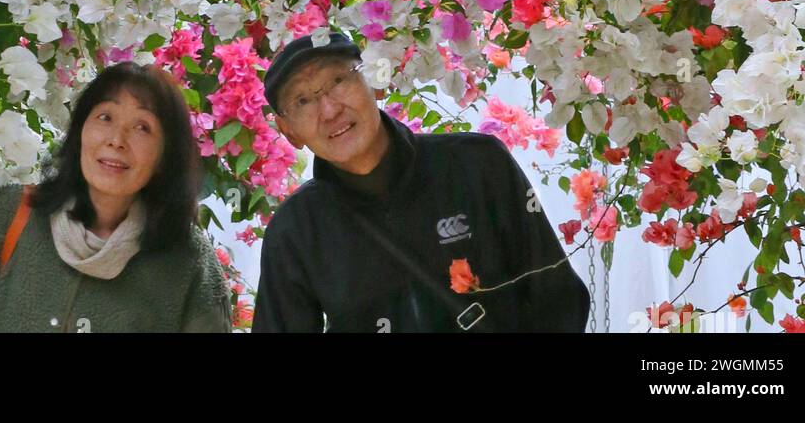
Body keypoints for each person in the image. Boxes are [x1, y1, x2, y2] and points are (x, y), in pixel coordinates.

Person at [251, 30, 591, 333]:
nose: (328, 110)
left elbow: (558, 297)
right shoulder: (296, 231)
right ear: (289, 131)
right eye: (302, 101)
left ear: (373, 80)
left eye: (338, 81)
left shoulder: (479, 165)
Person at [0, 60, 231, 332]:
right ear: (80, 131)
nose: (116, 140)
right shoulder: (6, 216)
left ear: (165, 155)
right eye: (105, 117)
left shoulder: (189, 264)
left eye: (142, 127)